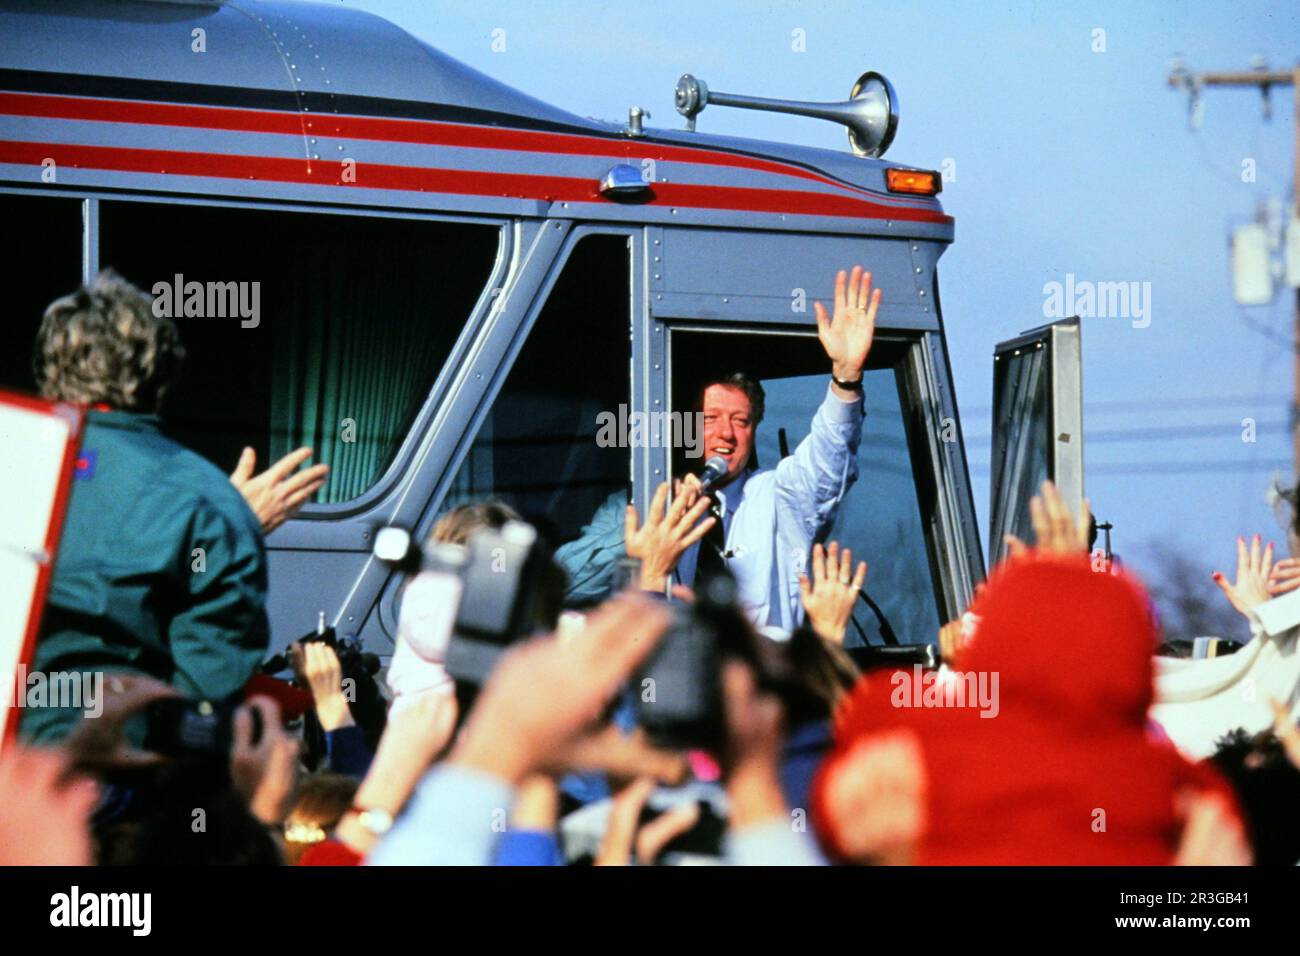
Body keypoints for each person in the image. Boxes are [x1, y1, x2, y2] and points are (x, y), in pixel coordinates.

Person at [21, 271, 271, 745]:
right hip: (124, 780)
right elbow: (208, 697)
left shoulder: (16, 456)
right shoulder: (212, 502)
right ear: (161, 371)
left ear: (47, 368)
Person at [556, 266, 878, 631]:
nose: (726, 434)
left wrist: (846, 378)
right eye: (711, 419)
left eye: (740, 422)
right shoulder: (642, 498)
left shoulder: (779, 497)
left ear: (754, 431)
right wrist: (644, 530)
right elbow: (566, 584)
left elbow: (827, 462)